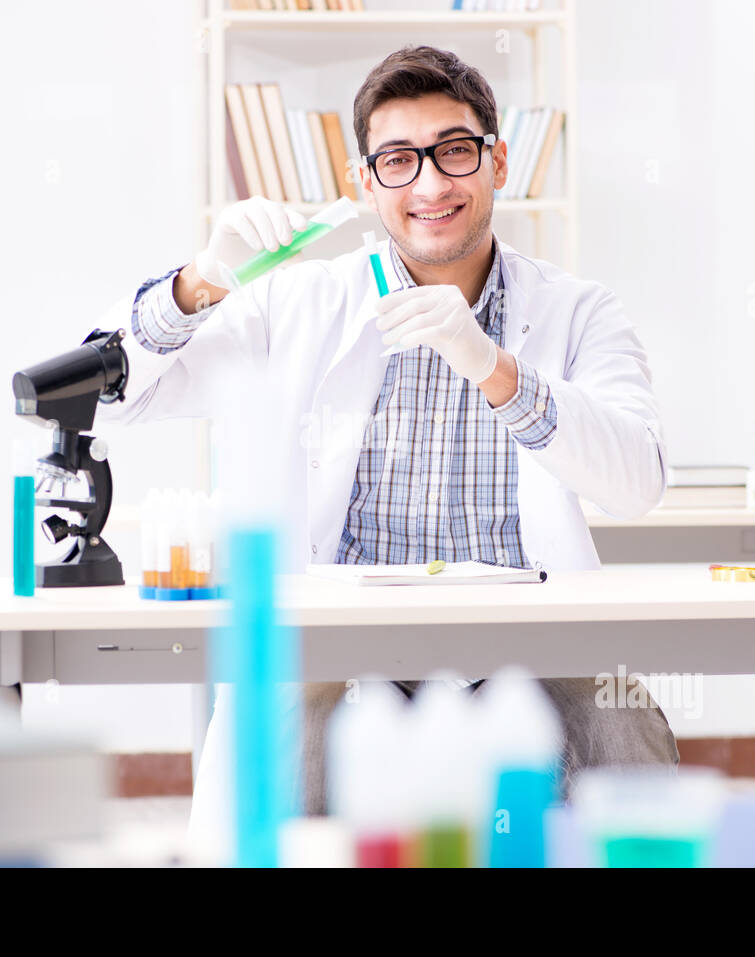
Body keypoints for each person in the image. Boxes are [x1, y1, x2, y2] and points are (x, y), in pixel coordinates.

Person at [97, 45, 679, 837]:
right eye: (399, 160)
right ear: (364, 183)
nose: (431, 185)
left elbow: (637, 479)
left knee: (623, 724)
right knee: (292, 731)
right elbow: (119, 396)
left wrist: (498, 370)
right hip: (344, 638)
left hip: (528, 637)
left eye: (455, 151)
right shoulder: (300, 302)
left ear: (498, 161)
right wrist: (199, 281)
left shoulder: (579, 311)